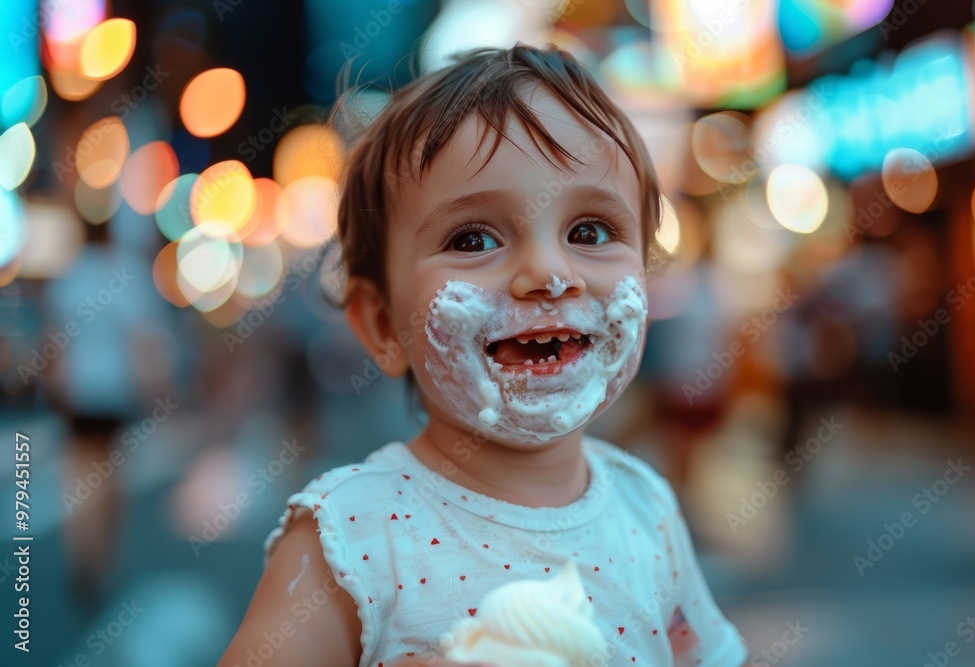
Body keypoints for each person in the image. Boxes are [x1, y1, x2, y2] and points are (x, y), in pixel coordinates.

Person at [221, 44, 746, 667]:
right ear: (384, 324)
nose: (550, 274)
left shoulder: (648, 508)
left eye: (590, 232)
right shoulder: (348, 538)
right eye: (473, 238)